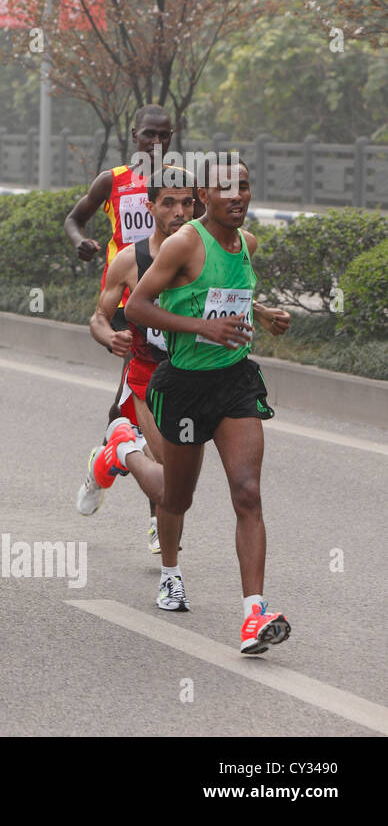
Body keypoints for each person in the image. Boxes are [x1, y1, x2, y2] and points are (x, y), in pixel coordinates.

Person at [125, 160, 294, 652]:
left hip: (234, 380)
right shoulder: (185, 243)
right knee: (176, 498)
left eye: (244, 185)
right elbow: (138, 306)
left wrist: (261, 313)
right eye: (226, 188)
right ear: (205, 194)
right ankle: (169, 566)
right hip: (185, 383)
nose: (237, 196)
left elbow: (228, 297)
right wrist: (203, 328)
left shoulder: (248, 243)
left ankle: (253, 614)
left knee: (247, 492)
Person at [80, 174, 197, 552]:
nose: (179, 212)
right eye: (168, 203)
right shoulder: (131, 259)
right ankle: (167, 557)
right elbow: (98, 317)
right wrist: (109, 336)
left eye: (187, 203)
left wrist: (258, 312)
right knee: (170, 475)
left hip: (195, 375)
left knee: (181, 478)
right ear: (150, 207)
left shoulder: (205, 254)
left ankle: (118, 452)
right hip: (147, 376)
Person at [65, 105, 174, 423]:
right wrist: (80, 242)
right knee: (138, 367)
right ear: (134, 135)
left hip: (167, 293)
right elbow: (74, 219)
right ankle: (121, 438)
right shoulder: (111, 181)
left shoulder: (179, 184)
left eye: (163, 135)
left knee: (146, 379)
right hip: (125, 295)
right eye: (149, 134)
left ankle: (120, 441)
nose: (155, 141)